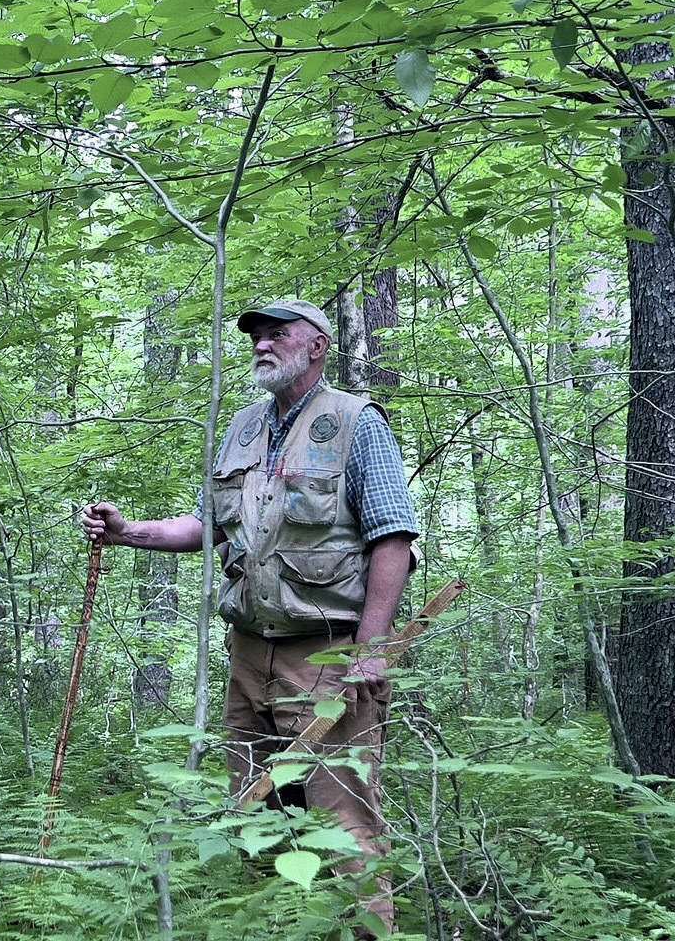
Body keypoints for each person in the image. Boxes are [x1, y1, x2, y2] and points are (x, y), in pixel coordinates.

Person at [82, 298, 418, 937]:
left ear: (316, 345)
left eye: (277, 334)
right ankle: (276, 927)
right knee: (255, 817)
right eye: (256, 336)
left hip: (327, 656)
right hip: (248, 654)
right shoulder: (241, 428)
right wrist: (129, 532)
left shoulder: (356, 422)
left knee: (343, 824)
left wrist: (372, 648)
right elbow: (206, 525)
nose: (262, 344)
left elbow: (392, 538)